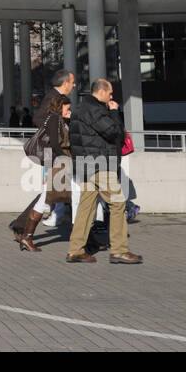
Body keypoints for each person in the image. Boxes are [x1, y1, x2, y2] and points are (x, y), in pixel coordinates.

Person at [65, 78, 141, 264]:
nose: (112, 96)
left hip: (85, 164)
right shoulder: (96, 110)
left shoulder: (80, 108)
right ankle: (119, 250)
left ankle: (75, 250)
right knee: (117, 203)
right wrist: (115, 112)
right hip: (100, 165)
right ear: (101, 92)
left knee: (86, 207)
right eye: (110, 92)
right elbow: (114, 132)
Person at [9, 91, 72, 251]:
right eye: (67, 108)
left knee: (47, 198)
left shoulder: (60, 120)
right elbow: (55, 144)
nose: (69, 110)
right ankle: (25, 235)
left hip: (59, 163)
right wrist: (67, 157)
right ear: (60, 106)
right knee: (45, 199)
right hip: (57, 163)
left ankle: (25, 236)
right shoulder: (54, 119)